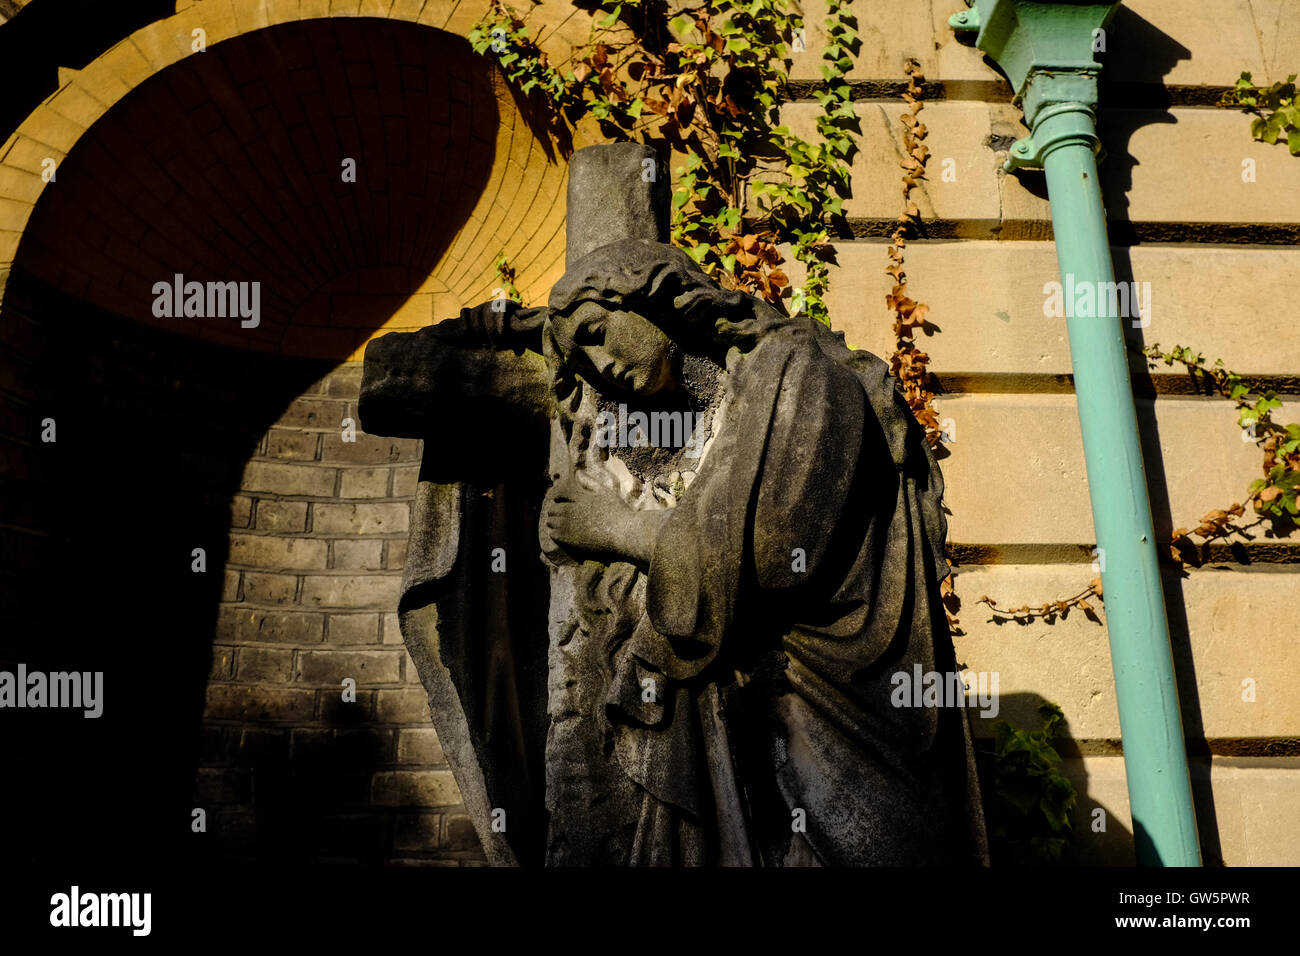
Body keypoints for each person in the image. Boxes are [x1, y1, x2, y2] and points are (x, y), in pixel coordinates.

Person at [536, 237, 988, 865]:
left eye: (596, 331)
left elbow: (773, 555)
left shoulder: (802, 375)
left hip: (856, 721)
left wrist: (615, 530)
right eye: (581, 360)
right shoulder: (707, 413)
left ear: (655, 296)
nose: (599, 364)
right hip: (770, 722)